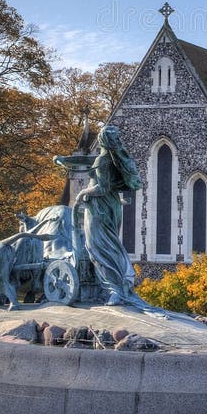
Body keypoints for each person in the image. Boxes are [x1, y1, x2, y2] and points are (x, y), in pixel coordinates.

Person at [72, 124, 146, 307]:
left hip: (99, 208)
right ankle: (116, 286)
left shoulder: (102, 160)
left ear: (102, 141)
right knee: (111, 246)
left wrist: (81, 194)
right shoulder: (113, 158)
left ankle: (115, 291)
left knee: (99, 249)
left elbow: (101, 187)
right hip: (112, 205)